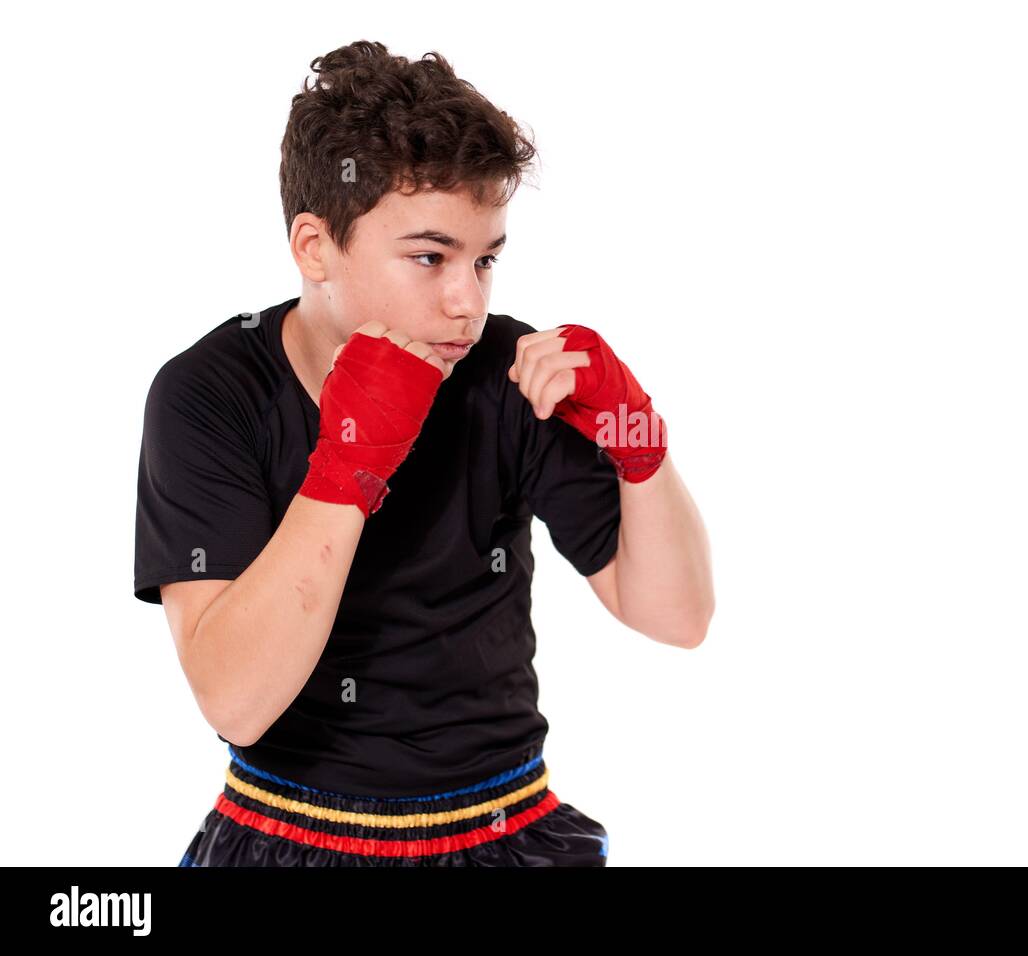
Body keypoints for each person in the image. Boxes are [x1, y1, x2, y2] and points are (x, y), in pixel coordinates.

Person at [133, 40, 714, 867]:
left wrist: (639, 442)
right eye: (429, 257)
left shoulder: (508, 372)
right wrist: (348, 463)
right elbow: (235, 700)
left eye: (485, 260)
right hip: (285, 834)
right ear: (314, 247)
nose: (466, 302)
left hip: (503, 828)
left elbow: (676, 616)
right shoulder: (211, 394)